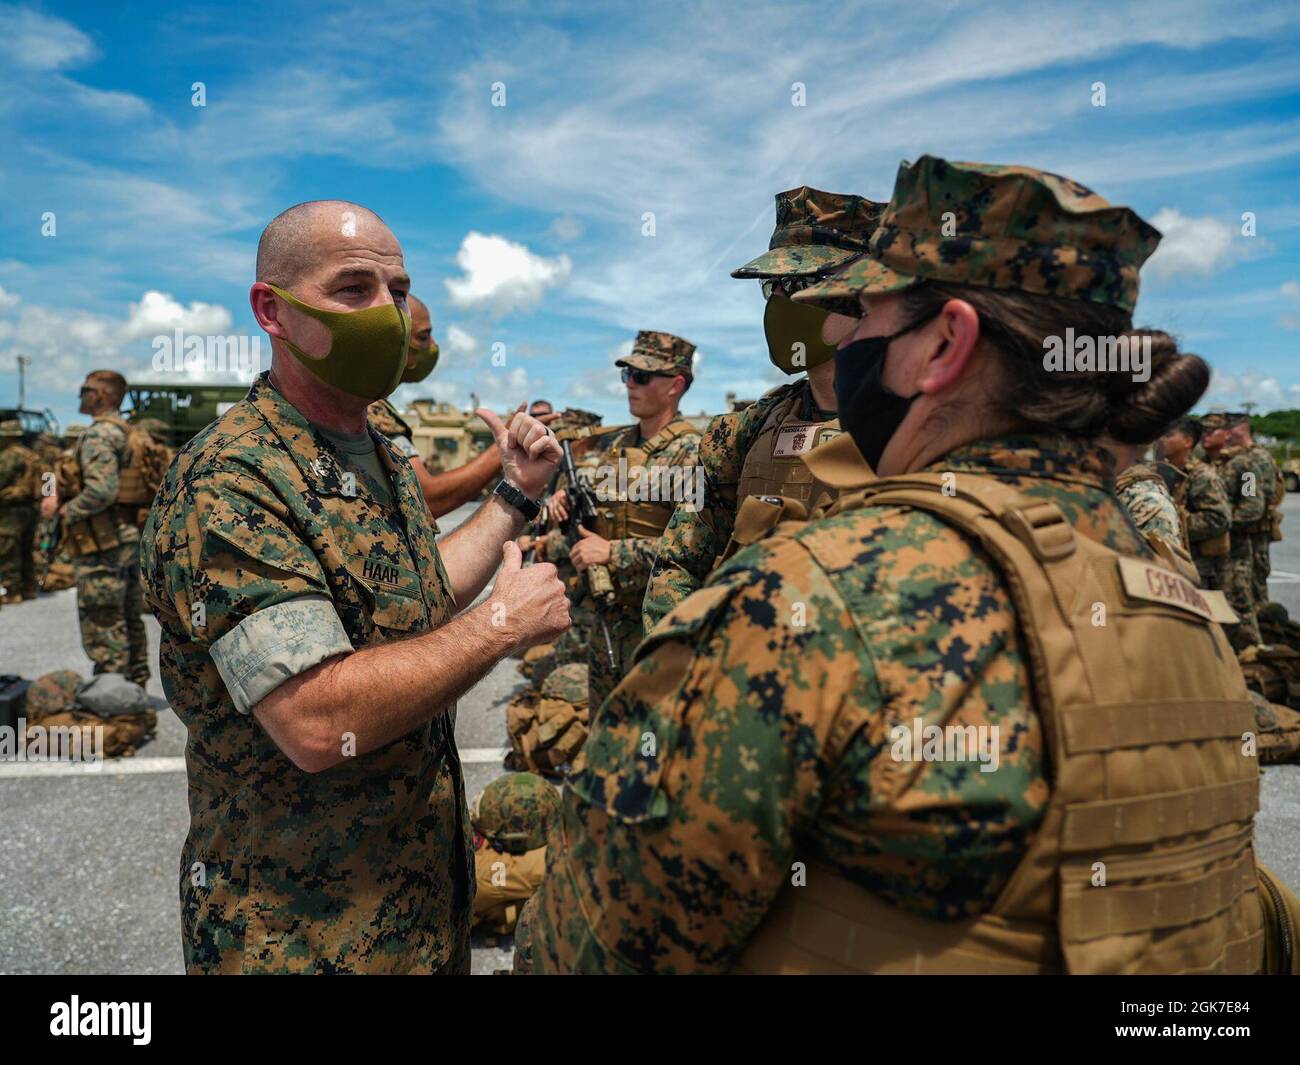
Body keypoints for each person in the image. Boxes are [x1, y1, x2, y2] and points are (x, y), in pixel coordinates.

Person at [522, 155, 1265, 975]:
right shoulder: (1182, 605)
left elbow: (587, 947)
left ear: (944, 344)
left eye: (866, 313)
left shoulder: (796, 605)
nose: (842, 333)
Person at [140, 199, 571, 974]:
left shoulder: (367, 447)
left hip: (414, 913)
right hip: (300, 936)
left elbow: (418, 591)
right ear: (273, 309)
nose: (389, 312)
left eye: (398, 291)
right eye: (353, 289)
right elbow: (314, 717)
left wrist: (512, 495)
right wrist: (501, 625)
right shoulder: (233, 478)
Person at [643, 188, 878, 632]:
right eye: (775, 286)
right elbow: (678, 563)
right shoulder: (741, 432)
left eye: (805, 283)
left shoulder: (920, 431)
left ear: (868, 288)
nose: (783, 302)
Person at [558, 330, 702, 708]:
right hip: (609, 618)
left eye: (641, 376)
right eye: (627, 375)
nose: (629, 385)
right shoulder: (619, 447)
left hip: (660, 627)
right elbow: (603, 514)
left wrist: (612, 553)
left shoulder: (691, 453)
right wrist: (566, 504)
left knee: (656, 742)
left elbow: (698, 549)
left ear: (676, 385)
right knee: (605, 734)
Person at [42, 372, 150, 684]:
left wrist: (63, 512)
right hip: (126, 539)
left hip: (103, 543)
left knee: (102, 620)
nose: (80, 397)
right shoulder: (128, 432)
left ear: (101, 395)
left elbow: (101, 491)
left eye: (85, 391)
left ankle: (111, 696)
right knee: (128, 618)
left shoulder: (99, 435)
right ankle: (133, 688)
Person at [366, 294, 504, 518]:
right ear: (396, 341)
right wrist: (503, 449)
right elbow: (426, 499)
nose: (433, 346)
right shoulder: (373, 408)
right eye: (423, 336)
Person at [1203, 412, 1266, 648]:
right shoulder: (1204, 465)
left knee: (1240, 605)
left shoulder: (1244, 466)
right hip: (1211, 554)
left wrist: (1223, 524)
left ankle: (1255, 658)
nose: (1206, 435)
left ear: (1227, 434)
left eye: (1212, 431)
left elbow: (1253, 506)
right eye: (1204, 431)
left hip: (1236, 549)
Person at [1155, 417, 1231, 590]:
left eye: (1168, 435)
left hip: (1202, 568)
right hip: (1174, 562)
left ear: (1187, 441)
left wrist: (1172, 523)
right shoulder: (1163, 472)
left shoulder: (1203, 477)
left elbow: (1218, 519)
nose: (1161, 439)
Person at [0, 420, 40, 603]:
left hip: (12, 509)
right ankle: (29, 587)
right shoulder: (32, 455)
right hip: (31, 507)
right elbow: (48, 478)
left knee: (9, 548)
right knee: (26, 547)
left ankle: (12, 591)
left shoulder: (8, 456)